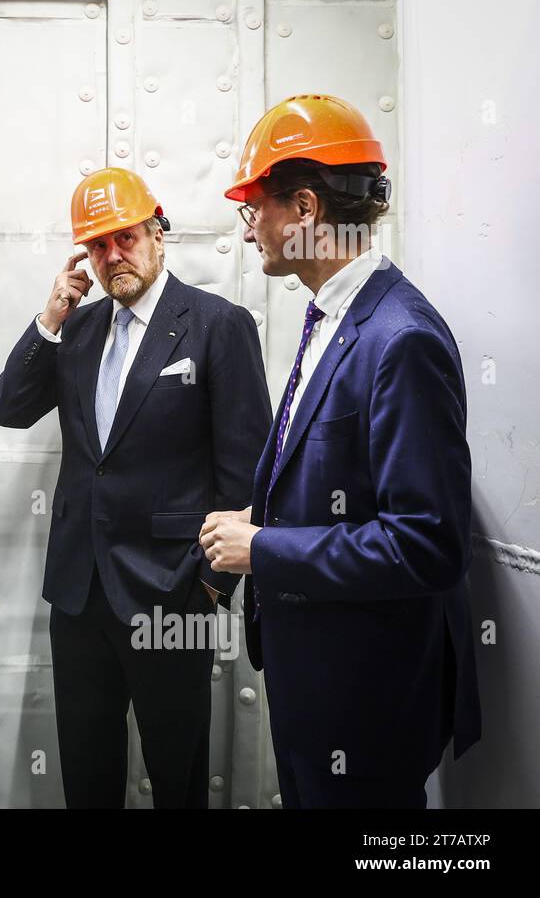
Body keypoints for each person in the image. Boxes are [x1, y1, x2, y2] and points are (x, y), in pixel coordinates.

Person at [200, 94, 482, 807]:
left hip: (367, 702)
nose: (249, 230)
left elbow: (426, 544)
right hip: (318, 684)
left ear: (303, 210)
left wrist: (262, 548)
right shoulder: (335, 313)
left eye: (254, 208)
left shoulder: (400, 337)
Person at [0, 167, 271, 807]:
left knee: (179, 776)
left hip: (172, 597)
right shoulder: (82, 329)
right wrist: (52, 313)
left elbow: (244, 469)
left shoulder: (216, 325)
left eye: (125, 238)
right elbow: (9, 408)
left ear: (157, 233)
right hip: (79, 594)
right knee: (88, 778)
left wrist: (210, 585)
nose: (112, 255)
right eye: (97, 245)